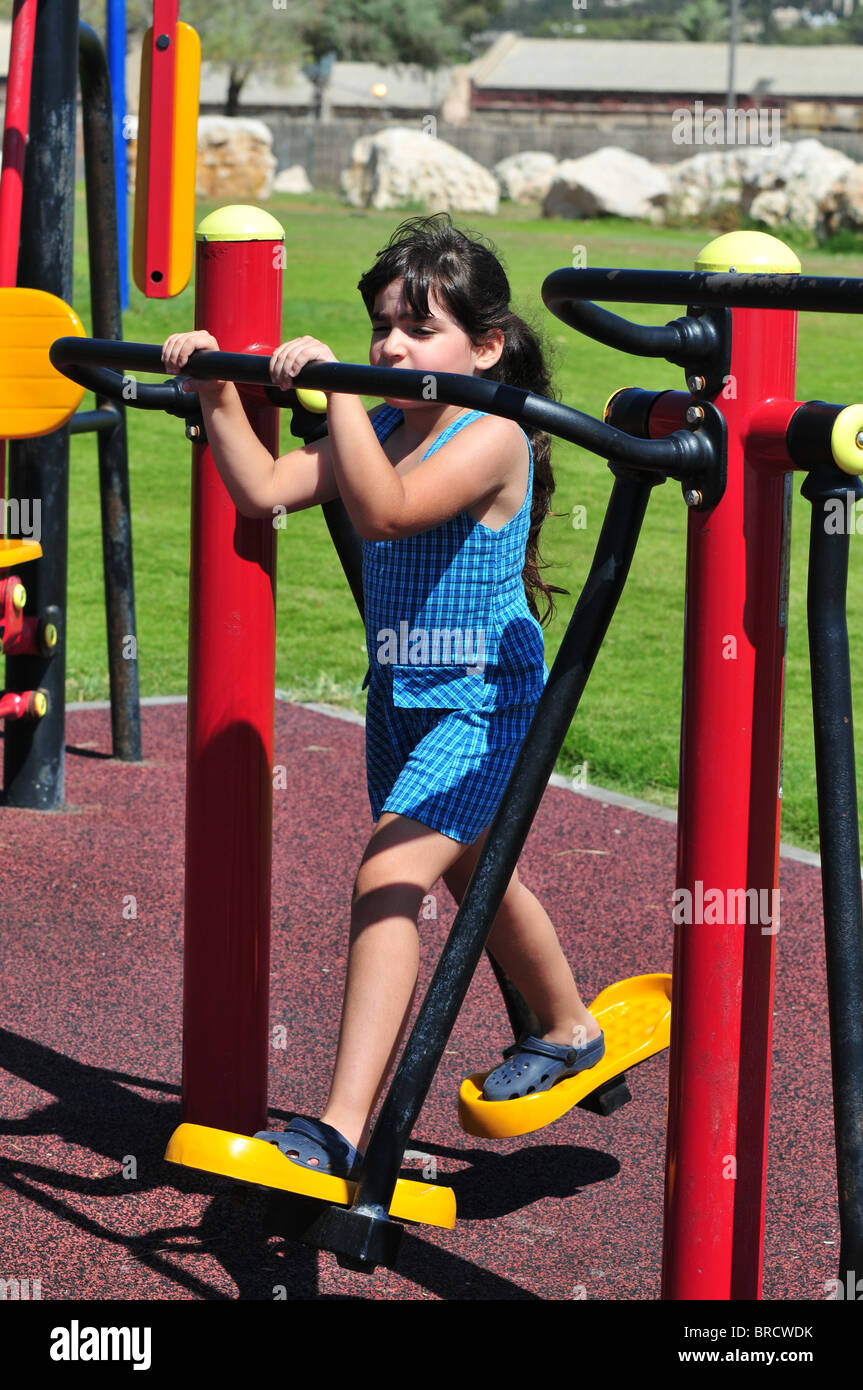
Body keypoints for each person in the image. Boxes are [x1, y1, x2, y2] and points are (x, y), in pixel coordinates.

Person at [161, 213, 604, 1181]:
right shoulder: (399, 416)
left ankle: (338, 1130)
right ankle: (568, 1025)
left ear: (484, 348)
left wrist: (342, 398)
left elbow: (386, 510)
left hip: (481, 698)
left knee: (387, 879)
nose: (391, 347)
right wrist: (216, 395)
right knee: (470, 870)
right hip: (402, 691)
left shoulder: (492, 432)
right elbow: (270, 489)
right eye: (381, 330)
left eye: (417, 330)